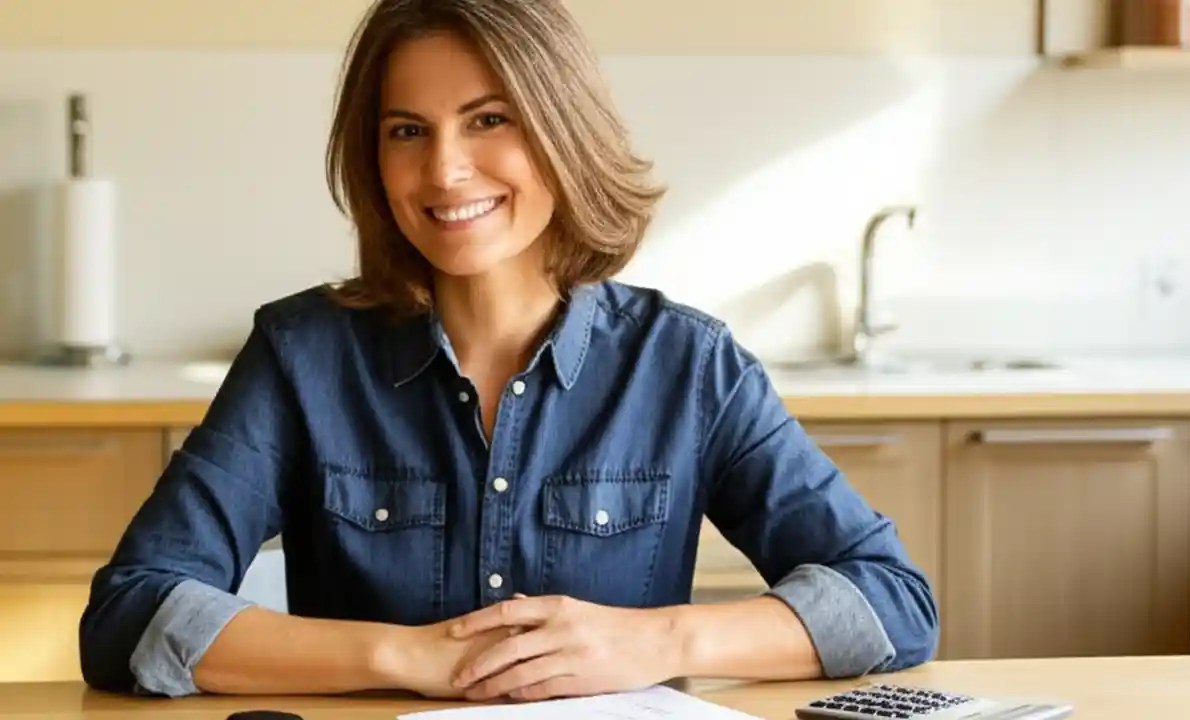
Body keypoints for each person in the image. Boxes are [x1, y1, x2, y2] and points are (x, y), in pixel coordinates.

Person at [79, 0, 939, 702]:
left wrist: (654, 640)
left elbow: (893, 600)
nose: (445, 171)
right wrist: (413, 657)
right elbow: (131, 612)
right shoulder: (302, 357)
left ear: (562, 131)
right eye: (407, 131)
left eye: (488, 119)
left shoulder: (687, 365)